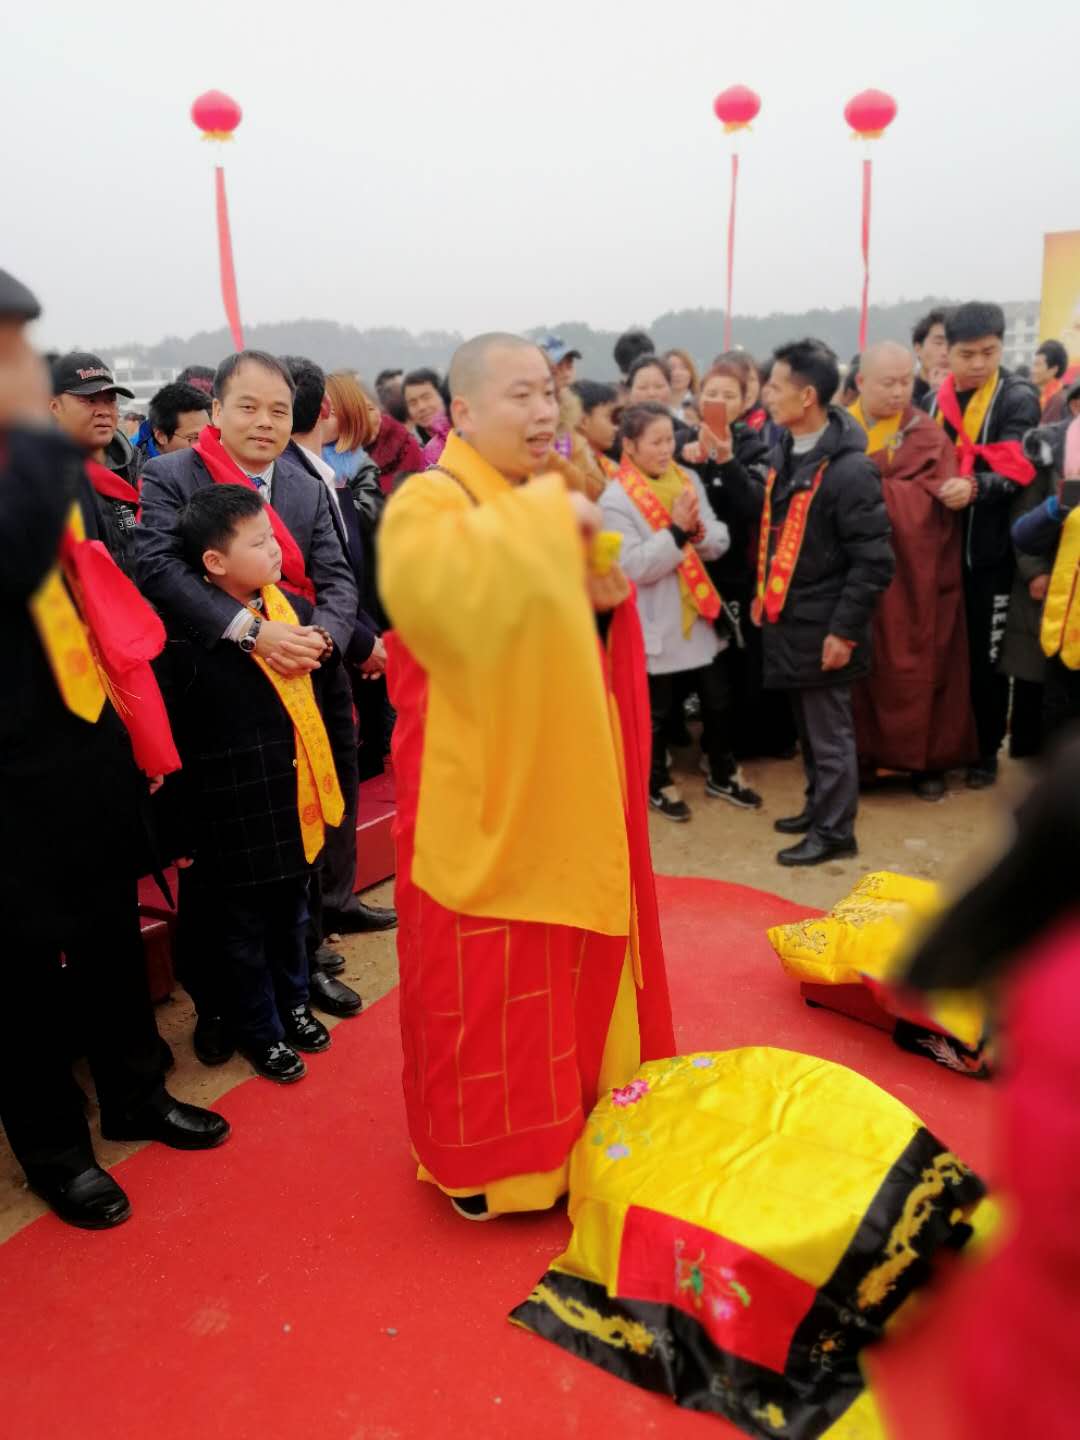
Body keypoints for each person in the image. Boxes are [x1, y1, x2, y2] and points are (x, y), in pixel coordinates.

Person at [377, 332, 674, 1220]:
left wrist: (592, 572)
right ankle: (489, 1165)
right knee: (481, 983)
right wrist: (558, 526)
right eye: (521, 396)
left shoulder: (537, 491)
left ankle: (569, 1136)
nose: (545, 411)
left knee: (563, 966)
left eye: (550, 393)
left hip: (562, 771)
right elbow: (433, 596)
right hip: (479, 790)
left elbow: (592, 612)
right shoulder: (429, 497)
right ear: (460, 412)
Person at [0, 268, 228, 1230]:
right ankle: (56, 1148)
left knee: (106, 934)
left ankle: (136, 1092)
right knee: (18, 972)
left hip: (83, 740)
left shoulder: (53, 475)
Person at [136, 349, 359, 1065]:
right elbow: (157, 568)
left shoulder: (301, 480)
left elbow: (336, 574)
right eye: (249, 407)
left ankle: (296, 980)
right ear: (219, 408)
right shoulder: (170, 476)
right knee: (223, 876)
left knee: (301, 851)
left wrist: (321, 637)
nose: (265, 422)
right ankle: (221, 1003)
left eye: (279, 410)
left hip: (305, 688)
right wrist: (254, 633)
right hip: (215, 701)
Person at [162, 485, 345, 1081]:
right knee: (239, 932)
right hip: (229, 813)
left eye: (272, 536)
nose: (275, 549)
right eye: (259, 541)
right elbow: (177, 740)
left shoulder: (289, 610)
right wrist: (181, 827)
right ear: (213, 562)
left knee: (292, 915)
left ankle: (293, 1005)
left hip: (291, 800)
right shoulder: (188, 636)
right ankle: (258, 1027)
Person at [754, 339, 894, 866]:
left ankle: (836, 831)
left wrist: (844, 630)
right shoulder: (784, 450)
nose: (766, 395)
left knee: (830, 734)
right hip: (790, 617)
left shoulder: (851, 470)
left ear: (807, 395)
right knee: (810, 733)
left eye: (774, 386)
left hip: (827, 623)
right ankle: (819, 808)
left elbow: (874, 562)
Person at [601, 403, 761, 817]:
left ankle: (722, 770)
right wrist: (675, 532)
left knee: (718, 700)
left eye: (669, 439)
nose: (664, 449)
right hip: (654, 617)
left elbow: (719, 538)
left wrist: (700, 534)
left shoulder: (687, 478)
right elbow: (633, 566)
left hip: (698, 610)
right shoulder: (615, 498)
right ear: (630, 446)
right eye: (654, 442)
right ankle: (657, 780)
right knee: (657, 710)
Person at [283, 356, 396, 945]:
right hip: (310, 650)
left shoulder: (329, 473)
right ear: (327, 409)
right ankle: (318, 918)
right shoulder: (285, 478)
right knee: (318, 783)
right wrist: (361, 641)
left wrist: (369, 636)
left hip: (347, 639)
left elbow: (347, 572)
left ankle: (338, 896)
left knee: (344, 775)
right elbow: (303, 583)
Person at [848, 342, 978, 798]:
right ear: (861, 382)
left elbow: (937, 497)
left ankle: (926, 764)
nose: (900, 391)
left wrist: (951, 492)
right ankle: (862, 761)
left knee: (924, 661)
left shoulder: (926, 435)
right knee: (859, 667)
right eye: (889, 382)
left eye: (907, 381)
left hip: (917, 578)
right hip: (856, 575)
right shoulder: (840, 430)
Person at [925, 302, 1041, 787]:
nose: (978, 363)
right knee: (939, 654)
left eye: (989, 352)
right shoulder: (935, 399)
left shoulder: (1016, 396)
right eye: (967, 354)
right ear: (945, 352)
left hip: (989, 553)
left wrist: (975, 487)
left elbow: (1017, 468)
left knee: (986, 659)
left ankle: (985, 749)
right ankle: (939, 750)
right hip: (939, 551)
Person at [680, 363, 794, 761]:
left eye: (730, 395)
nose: (720, 403)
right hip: (693, 570)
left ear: (747, 400)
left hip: (741, 572)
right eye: (712, 394)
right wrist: (686, 457)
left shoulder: (755, 445)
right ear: (698, 397)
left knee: (742, 658)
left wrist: (727, 461)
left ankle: (746, 742)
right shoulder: (683, 442)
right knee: (705, 663)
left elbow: (753, 505)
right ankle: (710, 741)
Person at [1011, 412, 1080, 744]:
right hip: (1065, 632)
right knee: (1060, 724)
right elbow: (1023, 534)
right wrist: (1058, 505)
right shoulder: (1061, 456)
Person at [49, 351, 140, 571]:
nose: (104, 412)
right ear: (53, 407)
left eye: (110, 401)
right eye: (89, 400)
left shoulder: (140, 467)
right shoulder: (39, 480)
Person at [325, 369, 425, 495]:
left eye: (370, 408)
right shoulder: (329, 452)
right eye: (359, 410)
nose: (369, 417)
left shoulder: (404, 445)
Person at [131, 381, 212, 469]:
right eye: (194, 437)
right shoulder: (133, 472)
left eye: (207, 436)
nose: (203, 447)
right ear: (161, 436)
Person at [911, 307, 950, 407]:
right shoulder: (903, 393)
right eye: (938, 343)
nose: (946, 352)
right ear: (918, 349)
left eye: (952, 344)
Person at [401, 366, 448, 443]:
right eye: (413, 403)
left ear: (442, 395)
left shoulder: (467, 433)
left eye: (426, 398)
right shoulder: (413, 447)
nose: (421, 407)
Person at [1032, 338, 1070, 422]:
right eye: (1034, 365)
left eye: (1038, 365)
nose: (1033, 370)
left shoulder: (1062, 401)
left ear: (1053, 370)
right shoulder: (1036, 397)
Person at [663, 348, 700, 423]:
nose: (677, 373)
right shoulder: (657, 408)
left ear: (691, 373)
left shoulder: (701, 405)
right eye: (671, 368)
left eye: (684, 368)